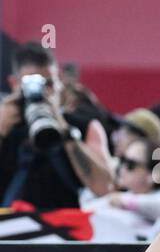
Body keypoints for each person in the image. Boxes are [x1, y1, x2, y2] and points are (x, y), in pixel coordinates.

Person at [0, 41, 115, 208]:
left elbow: (104, 187)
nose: (43, 93)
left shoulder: (83, 125)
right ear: (14, 84)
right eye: (31, 85)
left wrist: (65, 131)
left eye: (48, 84)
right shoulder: (5, 123)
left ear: (59, 80)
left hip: (65, 228)